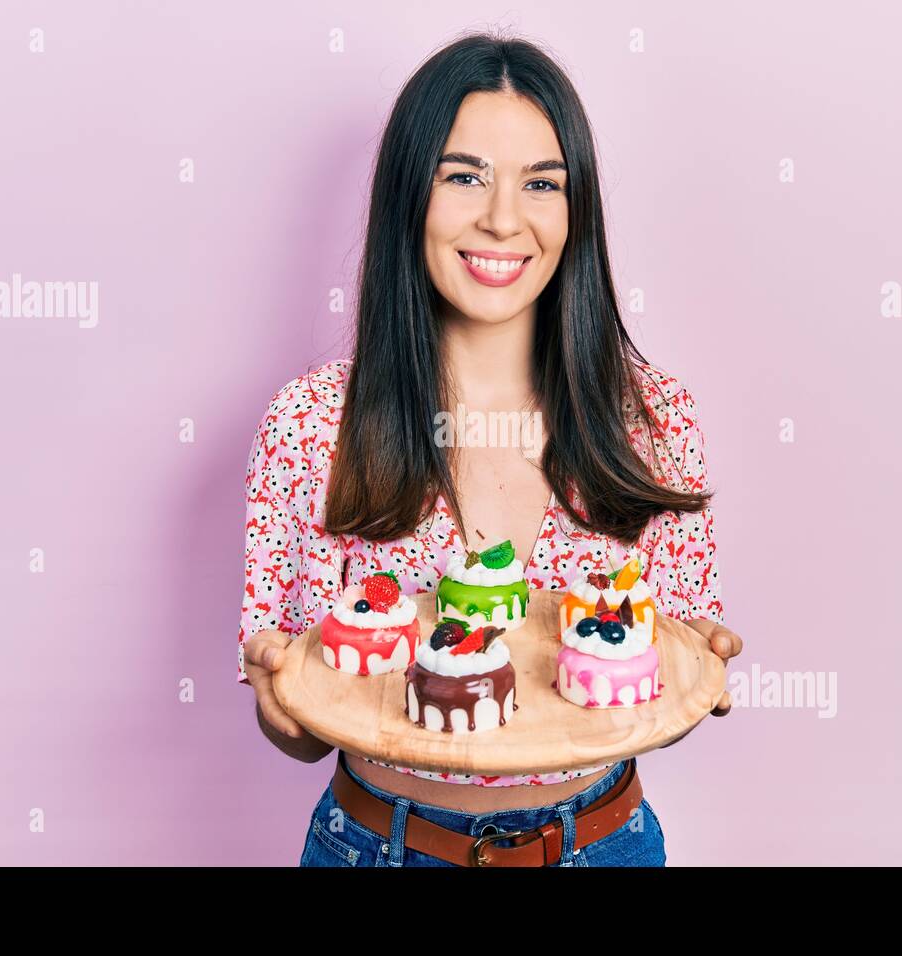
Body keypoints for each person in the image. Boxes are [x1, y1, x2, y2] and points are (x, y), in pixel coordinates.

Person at [238, 31, 744, 867]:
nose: (504, 219)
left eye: (541, 184)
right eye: (464, 175)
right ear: (410, 195)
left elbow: (659, 705)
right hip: (377, 844)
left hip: (601, 843)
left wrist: (695, 673)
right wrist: (275, 701)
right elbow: (300, 728)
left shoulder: (655, 423)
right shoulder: (307, 425)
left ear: (575, 211)